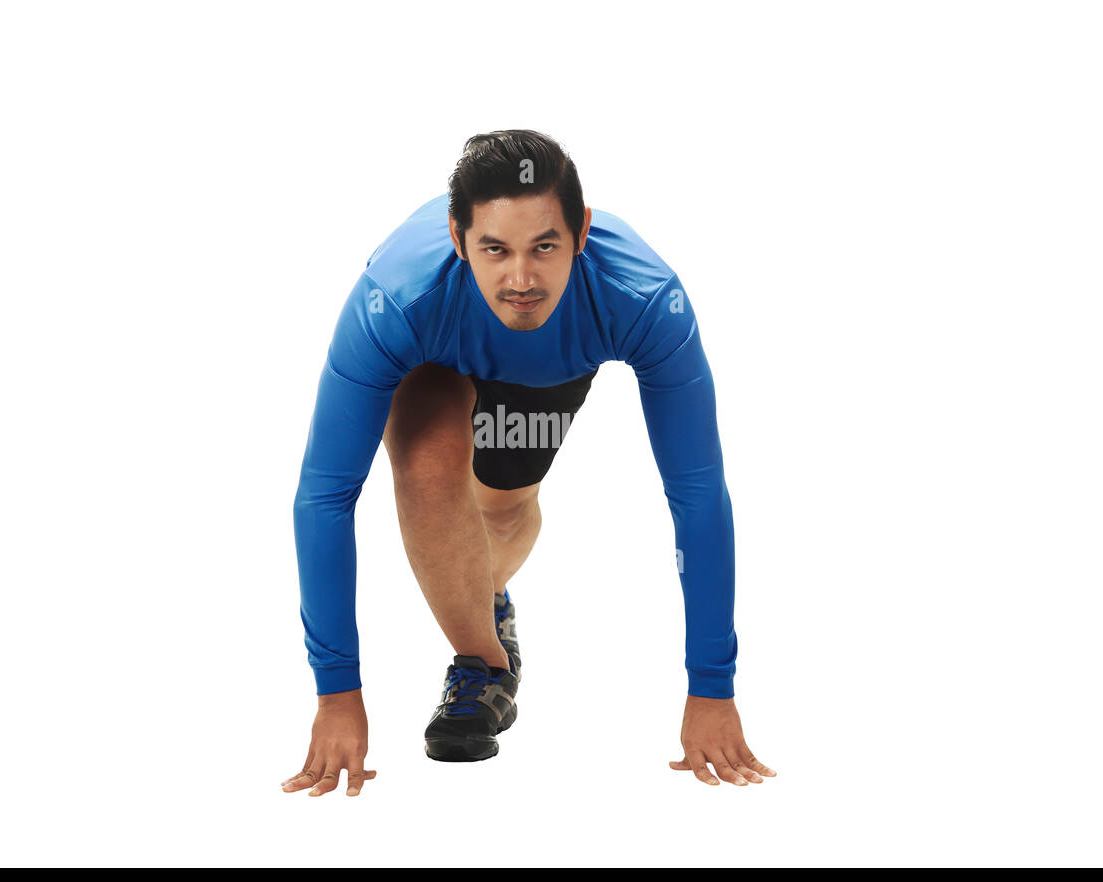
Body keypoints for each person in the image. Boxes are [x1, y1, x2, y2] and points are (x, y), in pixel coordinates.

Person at [281, 130, 776, 796]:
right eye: (494, 249)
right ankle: (485, 662)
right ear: (459, 240)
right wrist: (337, 692)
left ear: (581, 232)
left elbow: (697, 492)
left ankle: (489, 600)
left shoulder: (641, 297)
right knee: (429, 473)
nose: (520, 279)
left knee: (504, 512)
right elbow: (324, 495)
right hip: (439, 345)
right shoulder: (396, 298)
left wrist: (712, 688)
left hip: (554, 359)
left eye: (545, 246)